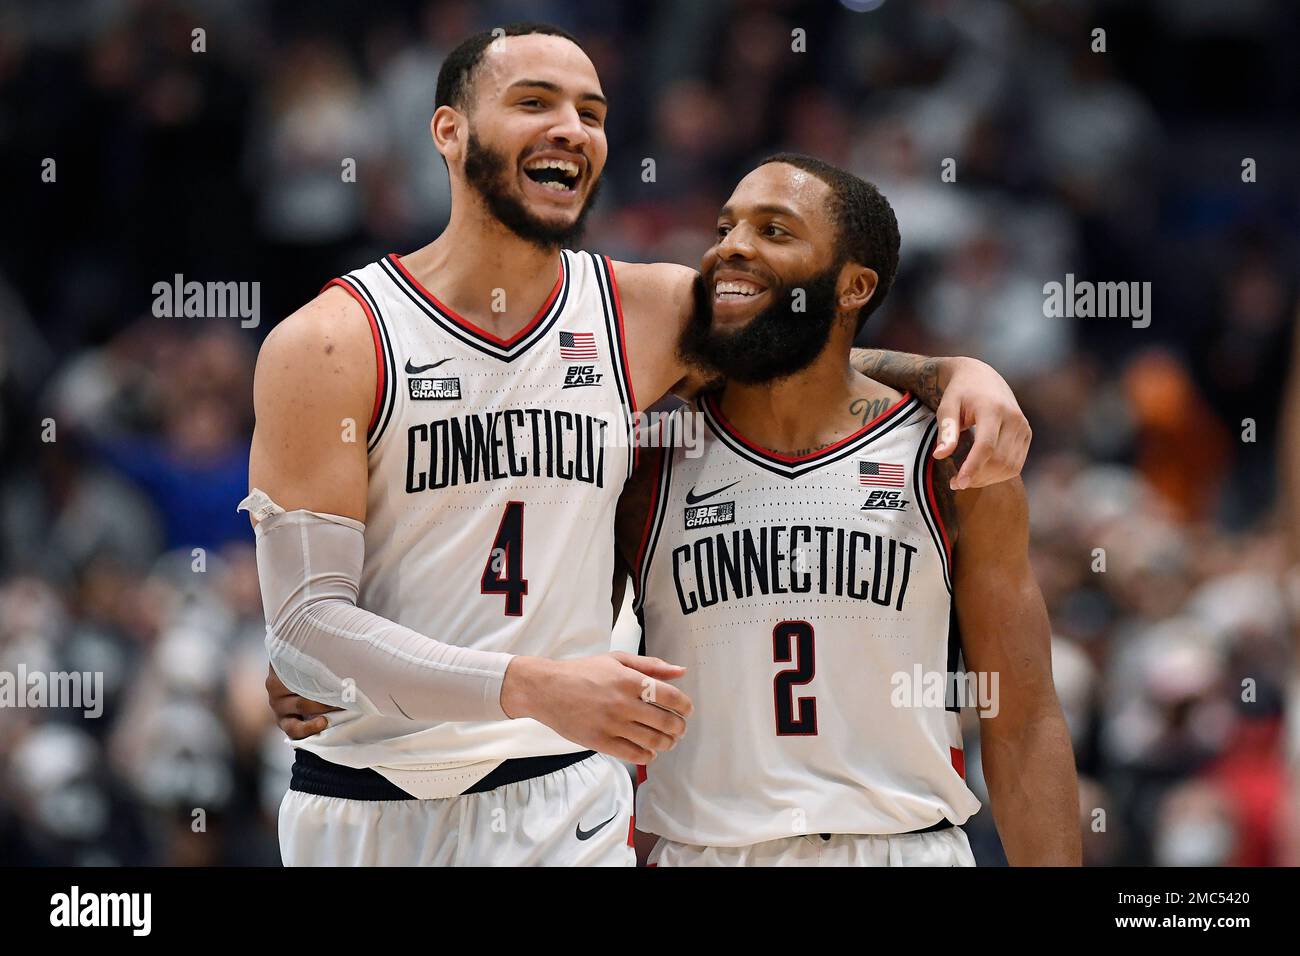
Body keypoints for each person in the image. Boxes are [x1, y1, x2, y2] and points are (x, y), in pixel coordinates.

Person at [250, 23, 1032, 867]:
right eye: (534, 103)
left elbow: (808, 348)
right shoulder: (333, 341)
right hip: (369, 796)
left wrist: (954, 370)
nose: (571, 129)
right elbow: (305, 624)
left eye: (593, 111)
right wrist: (524, 684)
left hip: (562, 795)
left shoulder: (643, 312)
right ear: (449, 130)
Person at [616, 154, 1080, 865]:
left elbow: (1020, 718)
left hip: (899, 846)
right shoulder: (646, 458)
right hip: (703, 848)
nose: (730, 246)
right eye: (725, 226)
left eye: (774, 230)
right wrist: (950, 367)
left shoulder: (950, 456)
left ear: (854, 285)